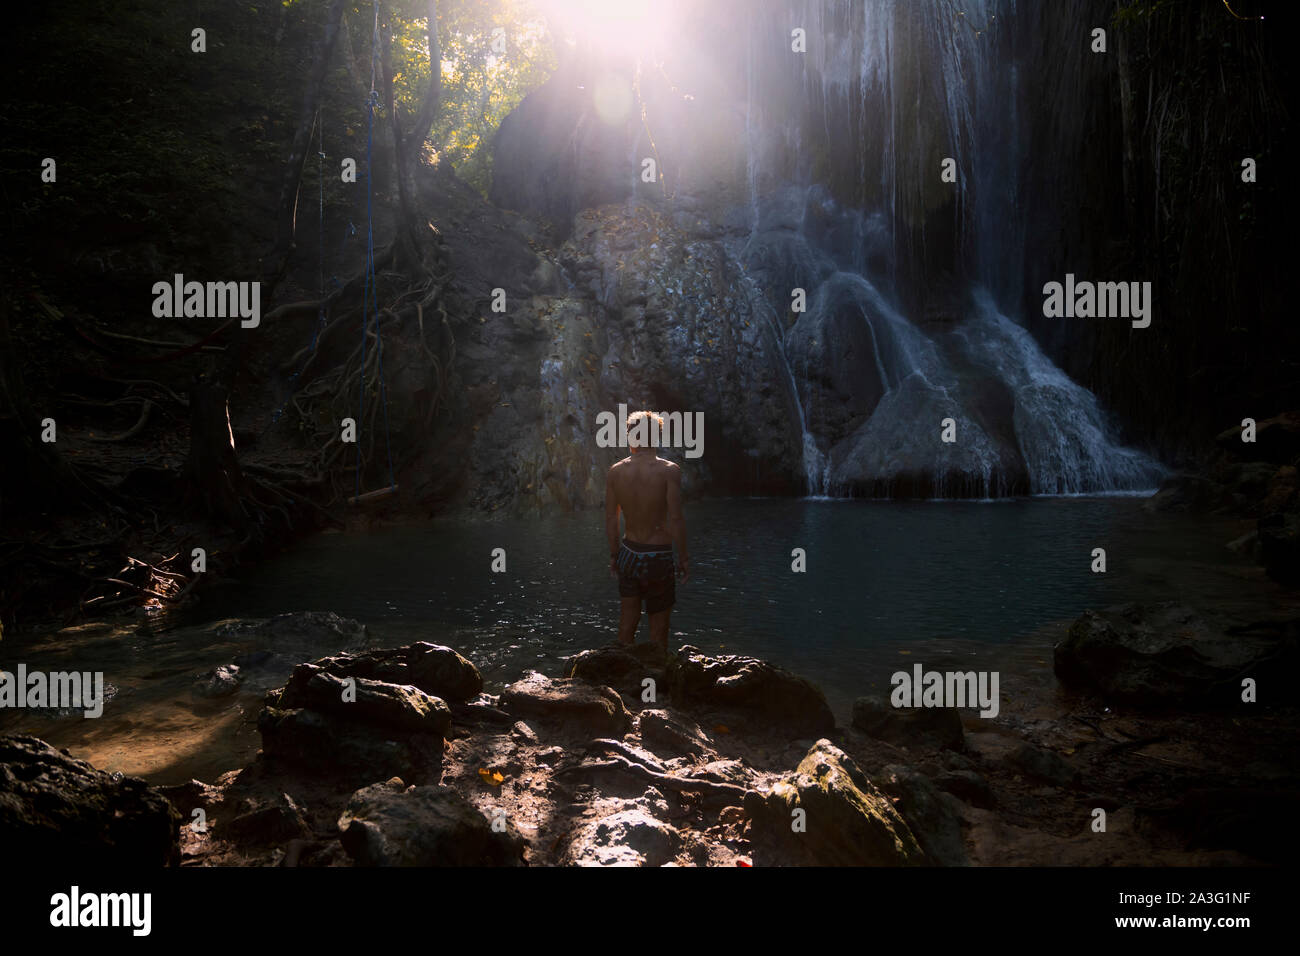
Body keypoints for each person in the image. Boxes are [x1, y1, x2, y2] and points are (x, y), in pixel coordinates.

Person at [605, 410, 689, 651]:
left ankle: (622, 680)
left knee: (626, 626)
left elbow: (611, 518)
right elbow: (675, 518)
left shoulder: (616, 471)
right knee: (658, 633)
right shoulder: (668, 470)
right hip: (658, 556)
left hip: (629, 553)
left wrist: (614, 555)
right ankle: (658, 684)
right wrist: (683, 558)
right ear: (657, 436)